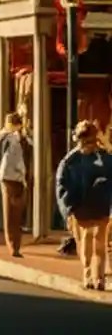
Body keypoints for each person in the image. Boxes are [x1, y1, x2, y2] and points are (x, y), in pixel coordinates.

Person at [55, 120, 112, 290]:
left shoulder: (105, 158)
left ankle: (99, 277)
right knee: (86, 239)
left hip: (100, 205)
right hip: (80, 206)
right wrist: (68, 209)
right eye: (84, 142)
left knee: (100, 241)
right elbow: (61, 185)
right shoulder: (70, 161)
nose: (87, 146)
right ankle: (88, 273)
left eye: (90, 141)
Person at [0, 112, 32, 258]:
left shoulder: (23, 138)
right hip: (7, 177)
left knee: (18, 212)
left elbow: (29, 154)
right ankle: (13, 245)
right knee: (10, 211)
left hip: (20, 178)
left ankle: (16, 244)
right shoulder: (3, 137)